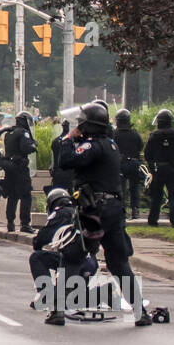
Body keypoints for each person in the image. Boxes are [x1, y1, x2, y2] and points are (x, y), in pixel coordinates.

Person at [56, 102, 153, 327]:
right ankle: (141, 312)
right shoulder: (110, 144)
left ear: (89, 125)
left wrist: (68, 139)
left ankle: (57, 310)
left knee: (72, 256)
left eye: (81, 122)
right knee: (119, 262)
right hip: (113, 210)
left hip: (94, 210)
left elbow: (66, 161)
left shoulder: (93, 146)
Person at [30, 188, 89, 325]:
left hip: (71, 259)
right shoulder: (81, 212)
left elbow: (42, 239)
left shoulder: (59, 213)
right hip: (89, 263)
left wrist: (37, 243)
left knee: (37, 257)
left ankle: (47, 295)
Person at [145, 109, 174, 227]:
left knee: (156, 196)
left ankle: (152, 221)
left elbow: (148, 154)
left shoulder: (154, 135)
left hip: (159, 169)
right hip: (173, 169)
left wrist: (152, 170)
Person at [0, 113, 37, 235]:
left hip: (9, 168)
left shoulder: (9, 133)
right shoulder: (23, 133)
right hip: (20, 167)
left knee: (12, 196)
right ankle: (25, 224)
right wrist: (33, 145)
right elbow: (26, 148)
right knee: (26, 195)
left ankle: (10, 223)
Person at [114, 109, 144, 220]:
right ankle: (135, 210)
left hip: (121, 164)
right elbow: (141, 146)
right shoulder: (134, 133)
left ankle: (122, 210)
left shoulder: (115, 134)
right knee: (134, 187)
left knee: (120, 188)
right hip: (134, 163)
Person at [49, 121, 75, 194]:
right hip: (68, 172)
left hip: (58, 172)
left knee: (57, 193)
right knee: (72, 194)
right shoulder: (71, 140)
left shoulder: (55, 141)